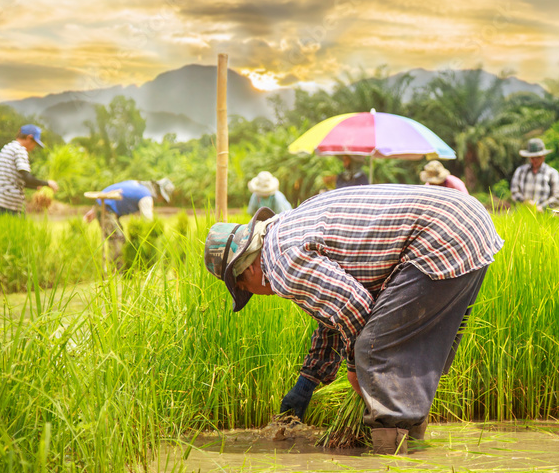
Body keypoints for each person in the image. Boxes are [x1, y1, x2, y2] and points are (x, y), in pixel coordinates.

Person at [203, 185, 503, 455]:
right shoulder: (284, 233)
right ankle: (413, 450)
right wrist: (308, 381)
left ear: (248, 271)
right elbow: (333, 314)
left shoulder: (283, 264)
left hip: (442, 235)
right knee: (396, 354)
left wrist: (355, 369)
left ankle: (389, 471)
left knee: (374, 350)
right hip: (466, 221)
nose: (259, 294)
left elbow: (354, 306)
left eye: (244, 289)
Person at [84, 178, 175, 268]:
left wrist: (95, 209)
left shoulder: (139, 186)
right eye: (163, 198)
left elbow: (116, 192)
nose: (161, 200)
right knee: (118, 239)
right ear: (159, 192)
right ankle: (117, 273)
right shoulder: (146, 196)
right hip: (106, 208)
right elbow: (148, 222)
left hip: (103, 206)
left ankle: (118, 270)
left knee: (119, 237)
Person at [0, 124, 58, 215]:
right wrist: (48, 183)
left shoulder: (6, 148)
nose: (33, 147)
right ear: (29, 138)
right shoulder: (20, 150)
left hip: (2, 200)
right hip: (12, 202)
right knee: (18, 228)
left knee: (6, 228)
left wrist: (36, 187)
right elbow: (28, 178)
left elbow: (15, 180)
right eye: (34, 143)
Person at [509, 138, 559, 211]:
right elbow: (514, 192)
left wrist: (542, 207)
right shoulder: (520, 171)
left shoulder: (552, 173)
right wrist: (526, 202)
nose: (535, 160)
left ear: (544, 156)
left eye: (538, 157)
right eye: (532, 158)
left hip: (545, 214)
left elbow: (557, 197)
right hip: (523, 212)